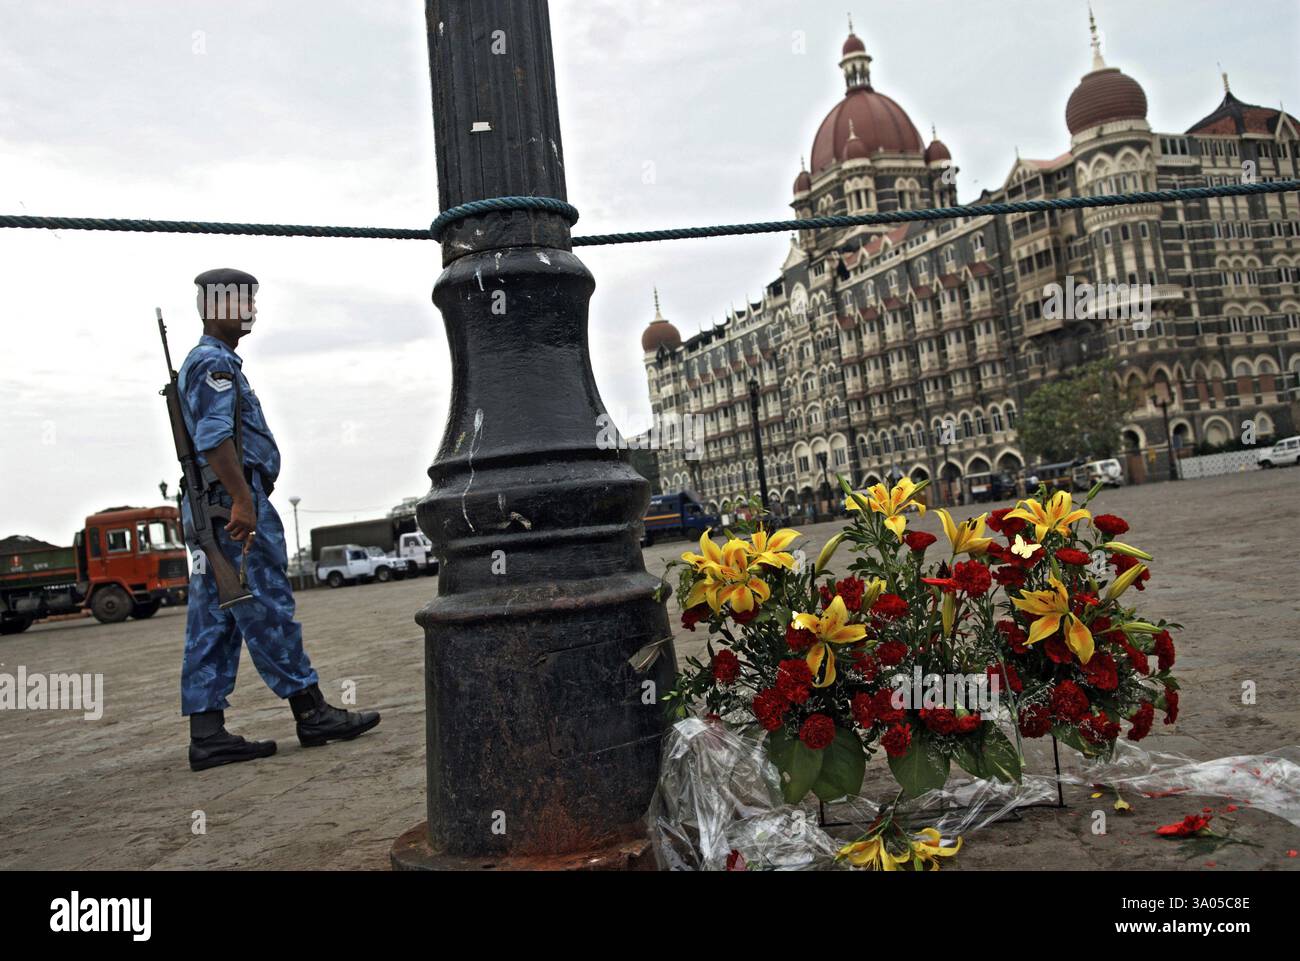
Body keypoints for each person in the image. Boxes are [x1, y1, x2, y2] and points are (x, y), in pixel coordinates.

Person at [178, 267, 380, 772]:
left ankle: (207, 733)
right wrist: (244, 501)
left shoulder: (211, 361)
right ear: (216, 306)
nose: (250, 309)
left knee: (215, 619)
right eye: (242, 300)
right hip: (232, 506)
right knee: (266, 605)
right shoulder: (212, 362)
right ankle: (311, 712)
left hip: (213, 505)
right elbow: (213, 437)